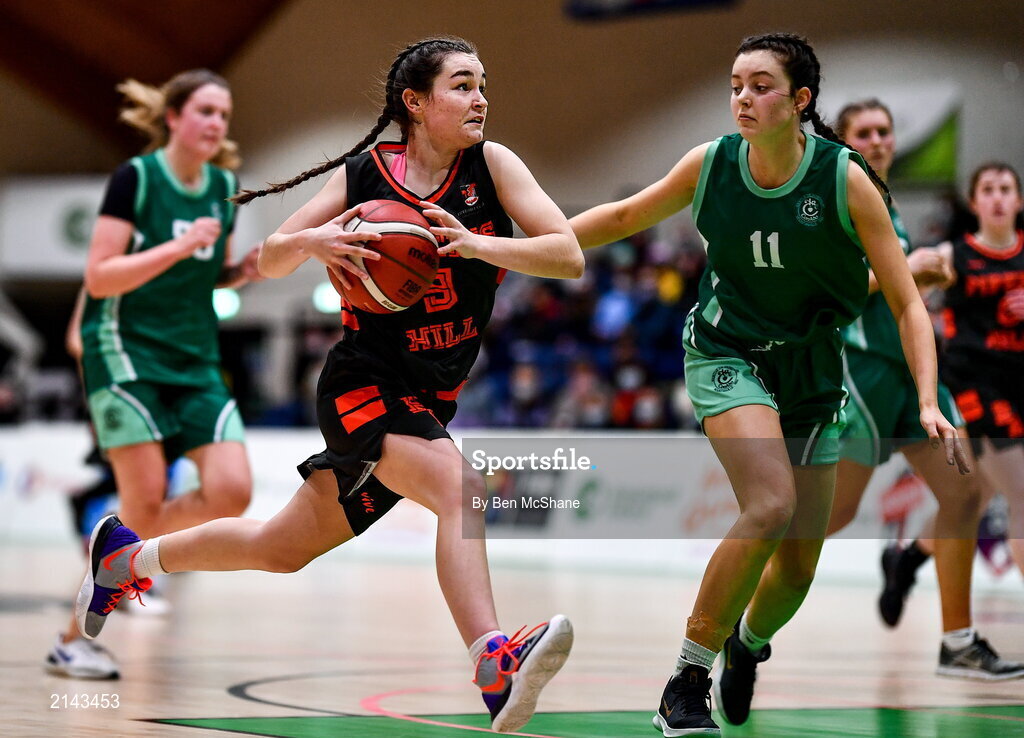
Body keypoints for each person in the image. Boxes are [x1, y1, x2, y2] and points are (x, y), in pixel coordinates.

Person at [74, 38, 579, 733]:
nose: (480, 99)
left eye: (482, 85)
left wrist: (475, 243)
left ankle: (127, 557)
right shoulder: (365, 175)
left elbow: (567, 255)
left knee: (279, 549)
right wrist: (313, 242)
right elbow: (272, 258)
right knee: (460, 489)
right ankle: (494, 662)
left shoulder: (493, 167)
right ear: (416, 102)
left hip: (431, 398)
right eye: (462, 85)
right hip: (362, 384)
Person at [570, 33, 969, 736]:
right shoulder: (712, 163)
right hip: (728, 350)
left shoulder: (846, 181)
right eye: (735, 86)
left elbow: (909, 302)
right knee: (770, 504)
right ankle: (685, 680)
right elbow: (624, 216)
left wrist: (929, 400)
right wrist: (515, 246)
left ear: (799, 100)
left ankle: (748, 644)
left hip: (812, 368)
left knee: (797, 570)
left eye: (760, 86)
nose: (743, 99)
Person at [46, 69, 261, 680]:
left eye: (224, 114)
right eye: (205, 111)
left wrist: (251, 268)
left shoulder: (223, 186)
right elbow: (99, 277)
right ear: (173, 117)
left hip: (194, 358)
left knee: (232, 492)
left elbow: (214, 274)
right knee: (140, 502)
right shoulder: (135, 179)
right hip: (125, 352)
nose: (217, 123)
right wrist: (178, 246)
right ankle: (72, 640)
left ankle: (121, 557)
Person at [823, 101, 1023, 680]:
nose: (879, 140)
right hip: (863, 373)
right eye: (865, 132)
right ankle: (743, 605)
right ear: (845, 141)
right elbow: (838, 290)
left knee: (965, 493)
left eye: (886, 131)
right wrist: (915, 270)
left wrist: (919, 279)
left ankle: (957, 642)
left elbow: (899, 292)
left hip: (910, 374)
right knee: (834, 514)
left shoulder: (885, 204)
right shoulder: (838, 200)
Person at [883, 162, 1024, 621]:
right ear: (974, 202)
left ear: (1018, 200)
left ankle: (907, 560)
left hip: (1018, 383)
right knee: (1020, 495)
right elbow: (903, 294)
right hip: (975, 386)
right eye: (989, 189)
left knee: (976, 495)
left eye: (1006, 188)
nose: (998, 197)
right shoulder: (952, 256)